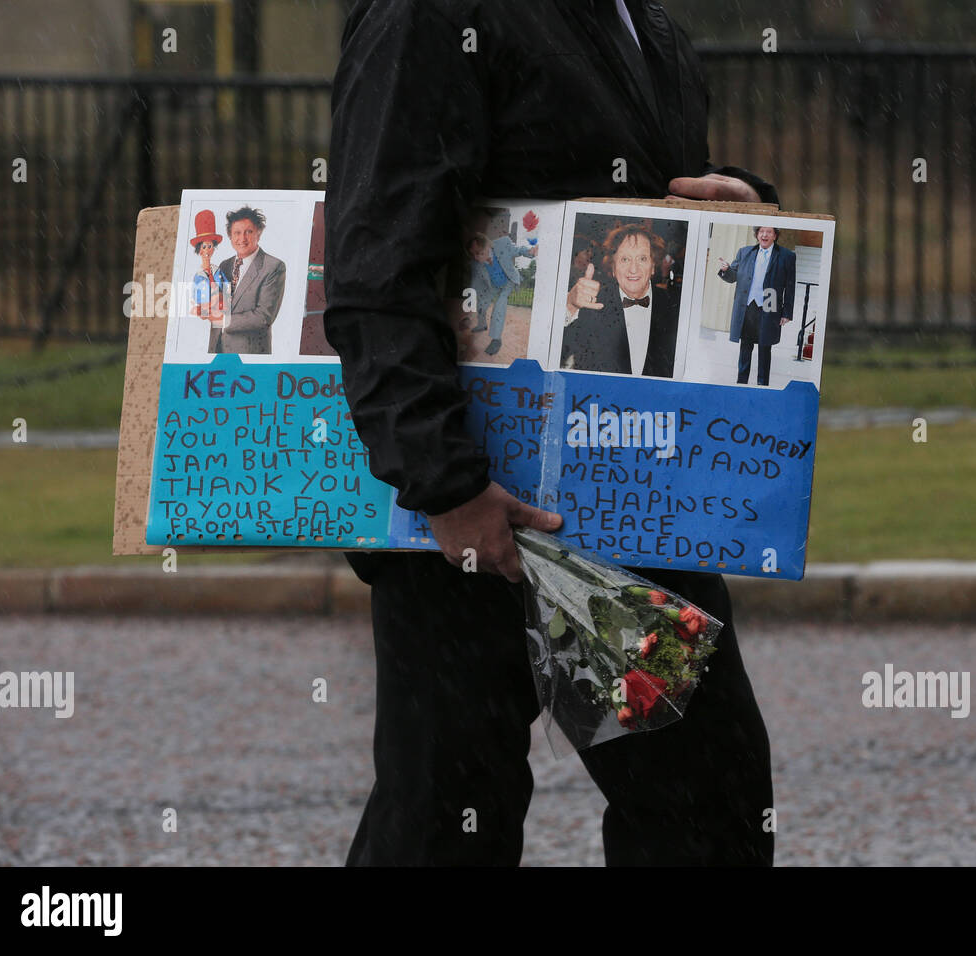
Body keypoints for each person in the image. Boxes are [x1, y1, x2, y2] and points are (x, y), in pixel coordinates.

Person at [324, 0, 779, 866]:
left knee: (705, 802)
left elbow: (610, 187)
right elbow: (378, 259)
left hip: (627, 510)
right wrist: (446, 484)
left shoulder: (644, 23)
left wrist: (739, 202)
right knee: (446, 821)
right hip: (465, 518)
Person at [561, 221, 679, 377]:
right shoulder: (592, 304)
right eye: (625, 259)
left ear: (652, 266)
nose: (633, 269)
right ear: (613, 267)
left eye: (642, 259)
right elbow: (558, 354)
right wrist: (570, 305)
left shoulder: (675, 306)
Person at [716, 225, 796, 386]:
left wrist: (786, 312)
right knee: (745, 346)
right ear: (757, 234)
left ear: (775, 235)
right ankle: (741, 382)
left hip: (769, 302)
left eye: (769, 232)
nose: (764, 235)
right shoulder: (745, 252)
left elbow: (790, 286)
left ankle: (762, 385)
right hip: (747, 304)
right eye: (761, 232)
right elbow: (733, 277)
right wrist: (726, 270)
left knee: (765, 348)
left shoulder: (787, 256)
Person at [209, 206, 286, 355]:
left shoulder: (273, 267)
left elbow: (263, 317)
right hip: (217, 352)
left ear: (259, 232)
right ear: (230, 236)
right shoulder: (225, 265)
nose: (242, 239)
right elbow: (219, 306)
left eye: (248, 232)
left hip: (249, 356)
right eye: (237, 233)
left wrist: (224, 320)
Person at [466, 223, 536, 357]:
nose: (476, 258)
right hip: (493, 285)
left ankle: (496, 339)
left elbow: (518, 250)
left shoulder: (503, 243)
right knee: (481, 304)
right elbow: (475, 282)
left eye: (478, 253)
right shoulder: (476, 263)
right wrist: (471, 299)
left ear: (487, 246)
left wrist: (529, 252)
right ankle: (481, 324)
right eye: (473, 255)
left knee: (499, 305)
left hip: (508, 281)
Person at [187, 210, 228, 332]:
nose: (207, 250)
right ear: (199, 250)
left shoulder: (217, 271)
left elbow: (226, 287)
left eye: (210, 246)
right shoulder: (198, 276)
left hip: (222, 306)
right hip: (207, 309)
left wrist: (224, 296)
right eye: (204, 247)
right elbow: (196, 295)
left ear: (213, 249)